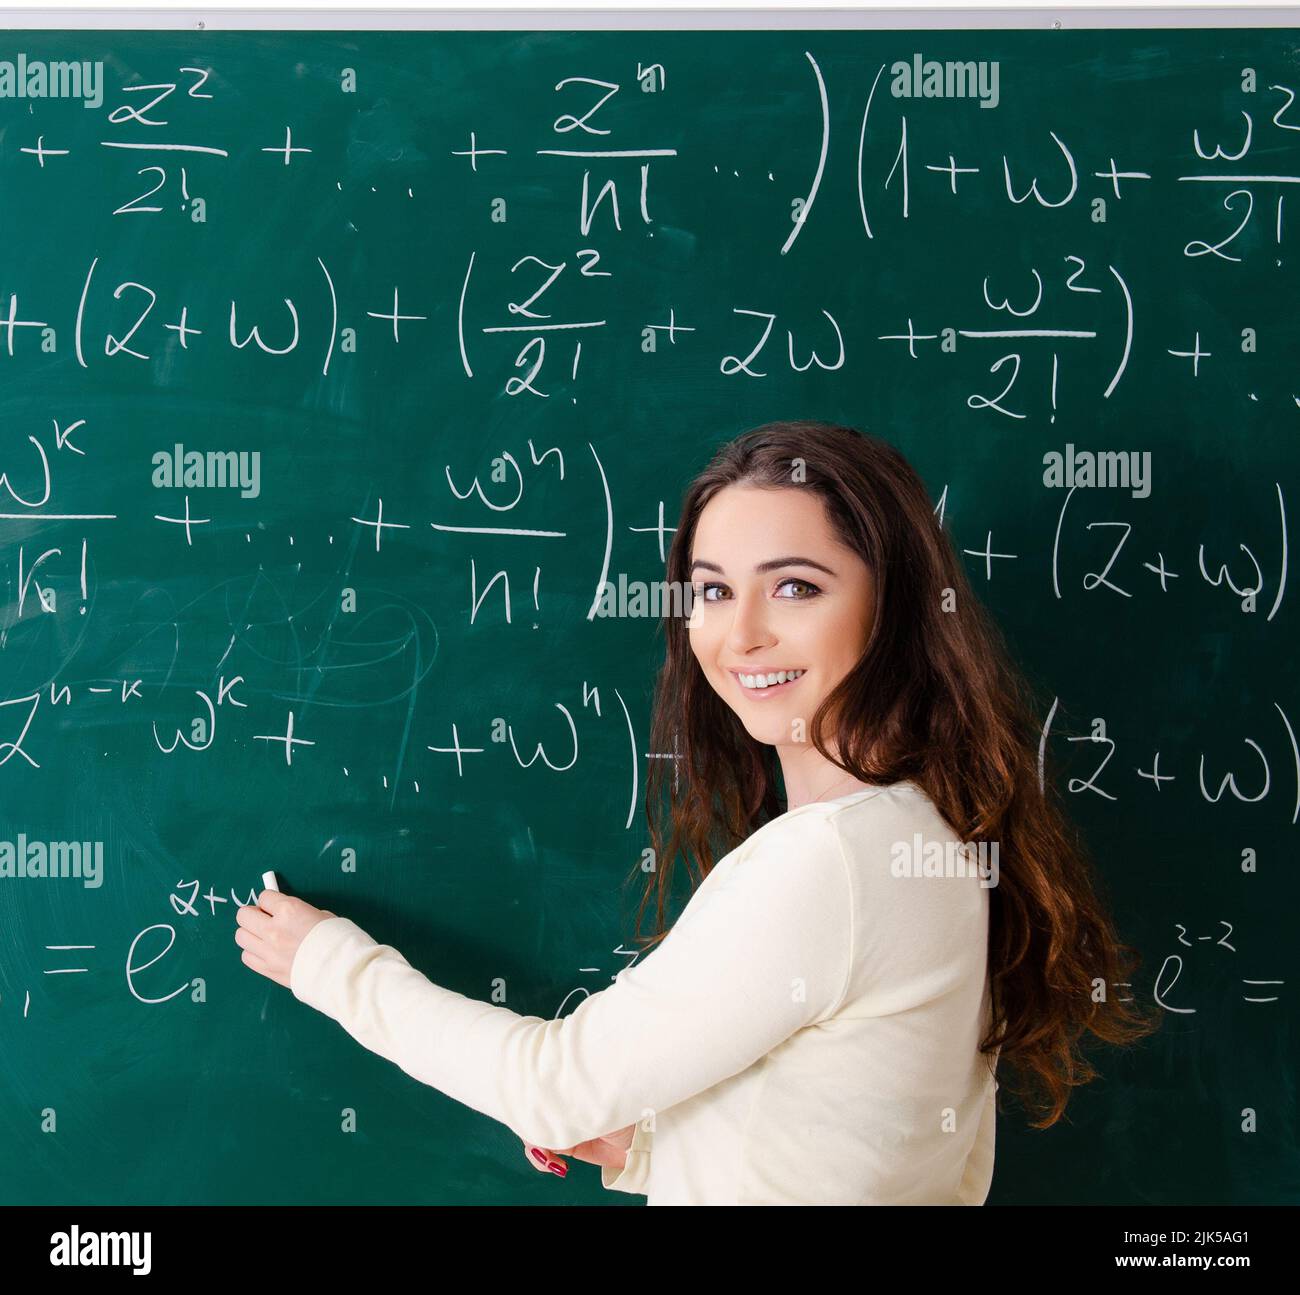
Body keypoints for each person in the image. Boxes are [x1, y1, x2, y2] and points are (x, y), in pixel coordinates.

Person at [235, 419, 1157, 1204]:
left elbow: (550, 1085)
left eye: (795, 585)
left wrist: (326, 961)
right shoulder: (934, 837)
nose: (739, 631)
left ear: (894, 607)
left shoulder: (828, 863)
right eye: (713, 589)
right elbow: (872, 1145)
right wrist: (646, 1148)